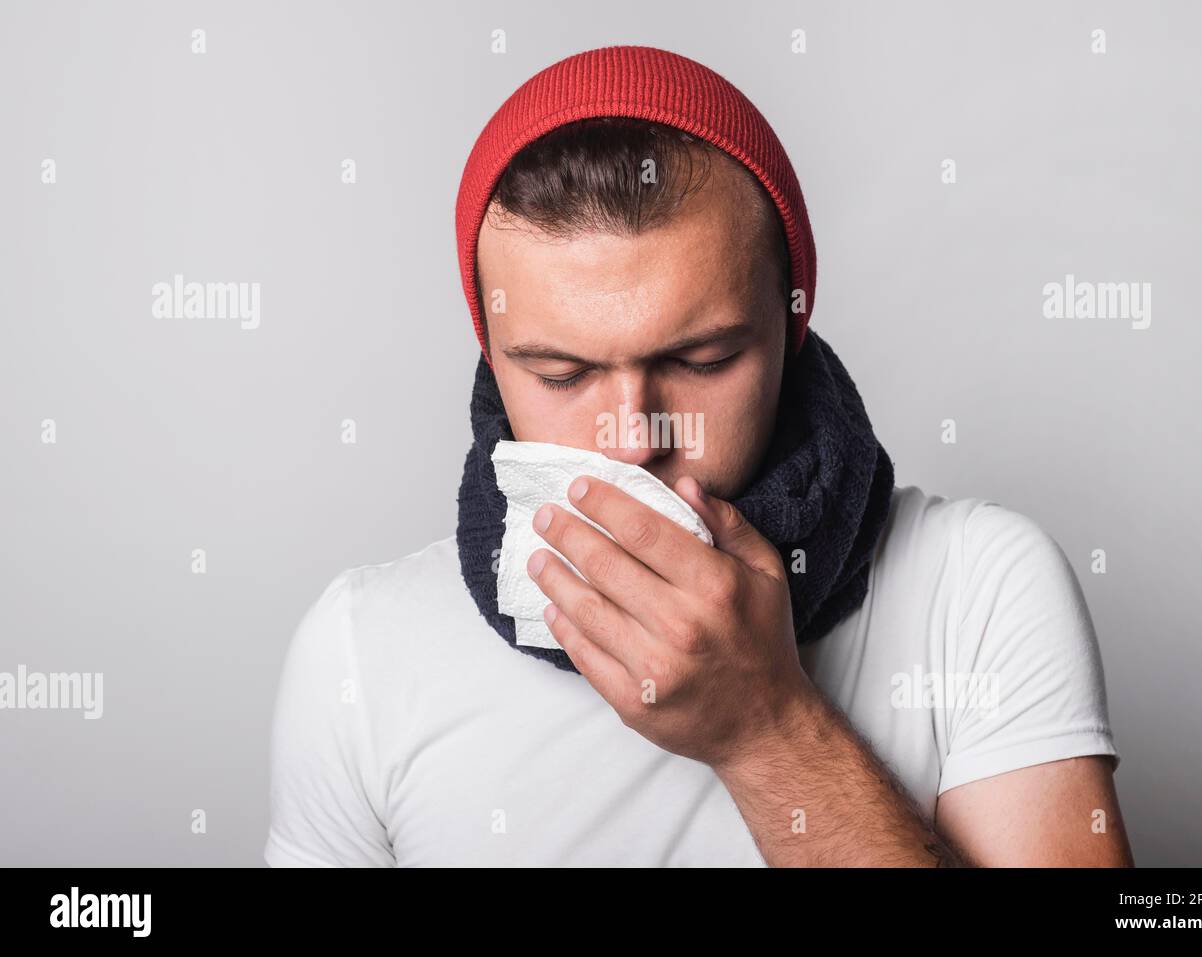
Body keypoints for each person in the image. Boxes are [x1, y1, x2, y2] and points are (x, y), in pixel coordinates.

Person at [265, 45, 1132, 867]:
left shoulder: (980, 587)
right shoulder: (357, 651)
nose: (633, 437)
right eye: (562, 374)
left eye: (701, 361)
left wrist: (766, 726)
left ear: (790, 326)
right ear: (492, 356)